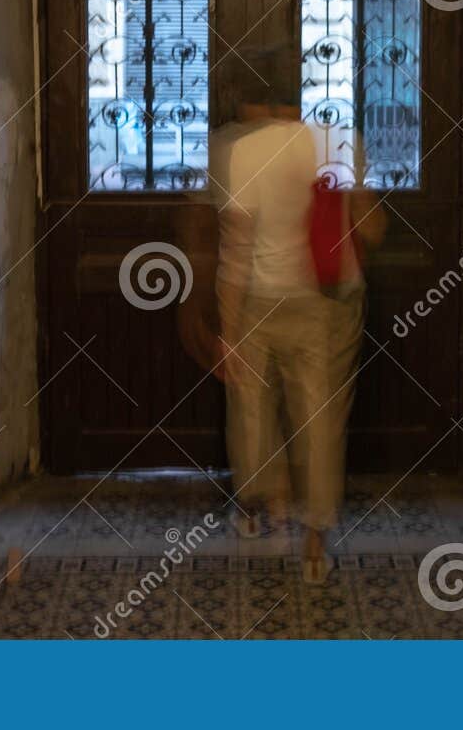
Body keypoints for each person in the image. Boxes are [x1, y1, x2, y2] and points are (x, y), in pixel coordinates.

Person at [177, 47, 384, 584]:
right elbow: (374, 229)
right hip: (327, 301)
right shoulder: (336, 140)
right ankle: (314, 542)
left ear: (250, 100)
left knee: (251, 405)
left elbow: (237, 247)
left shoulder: (234, 150)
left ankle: (264, 505)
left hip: (257, 300)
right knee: (320, 416)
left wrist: (225, 327)